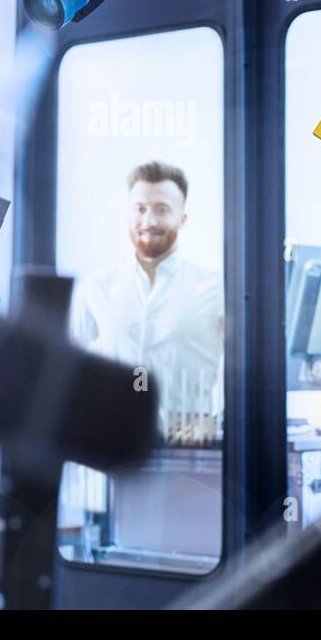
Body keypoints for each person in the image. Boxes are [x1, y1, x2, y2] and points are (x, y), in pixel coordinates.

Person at [70, 161, 224, 441]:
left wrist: (216, 421)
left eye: (162, 210)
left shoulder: (216, 289)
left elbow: (245, 371)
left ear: (182, 218)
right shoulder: (95, 288)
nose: (149, 222)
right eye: (140, 209)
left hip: (188, 458)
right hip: (111, 454)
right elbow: (67, 365)